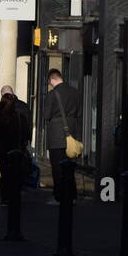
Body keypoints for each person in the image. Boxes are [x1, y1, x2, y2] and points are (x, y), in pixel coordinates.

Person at [0, 86, 31, 204]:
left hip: (2, 149)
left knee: (5, 173)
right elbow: (26, 132)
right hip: (17, 148)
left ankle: (5, 197)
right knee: (16, 173)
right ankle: (15, 196)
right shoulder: (21, 113)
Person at [44, 68, 81, 204]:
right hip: (72, 134)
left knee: (57, 169)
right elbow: (78, 113)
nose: (50, 85)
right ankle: (72, 196)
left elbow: (46, 115)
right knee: (70, 168)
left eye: (50, 82)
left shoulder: (52, 94)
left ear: (53, 79)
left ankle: (59, 197)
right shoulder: (75, 93)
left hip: (56, 136)